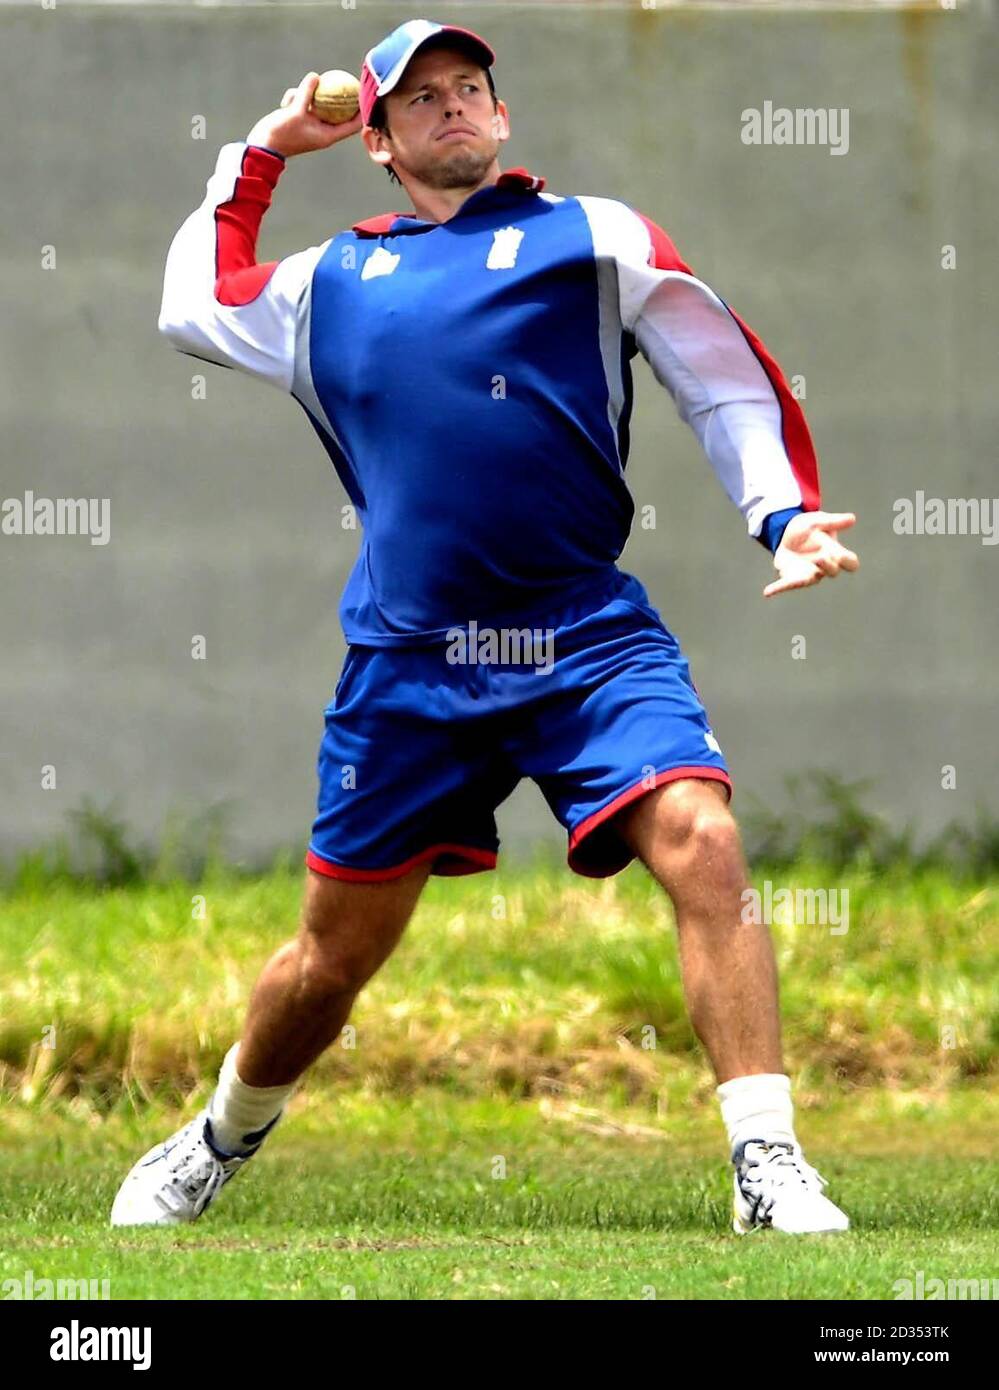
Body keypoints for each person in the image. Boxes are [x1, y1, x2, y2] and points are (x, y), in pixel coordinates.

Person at [112, 18, 859, 1235]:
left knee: (705, 840)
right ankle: (216, 1138)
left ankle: (767, 1163)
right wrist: (263, 149)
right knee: (327, 962)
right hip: (410, 662)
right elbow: (190, 305)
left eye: (472, 89)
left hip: (585, 636)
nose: (453, 106)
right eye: (421, 98)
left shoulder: (594, 237)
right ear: (381, 137)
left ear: (502, 118)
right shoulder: (327, 281)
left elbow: (717, 367)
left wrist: (779, 515)